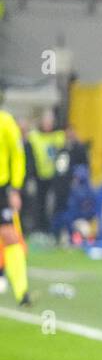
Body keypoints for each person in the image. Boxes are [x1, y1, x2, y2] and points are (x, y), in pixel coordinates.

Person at [0, 100, 30, 307]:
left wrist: (15, 189)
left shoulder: (6, 122)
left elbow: (18, 156)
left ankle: (22, 292)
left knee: (10, 237)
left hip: (1, 188)